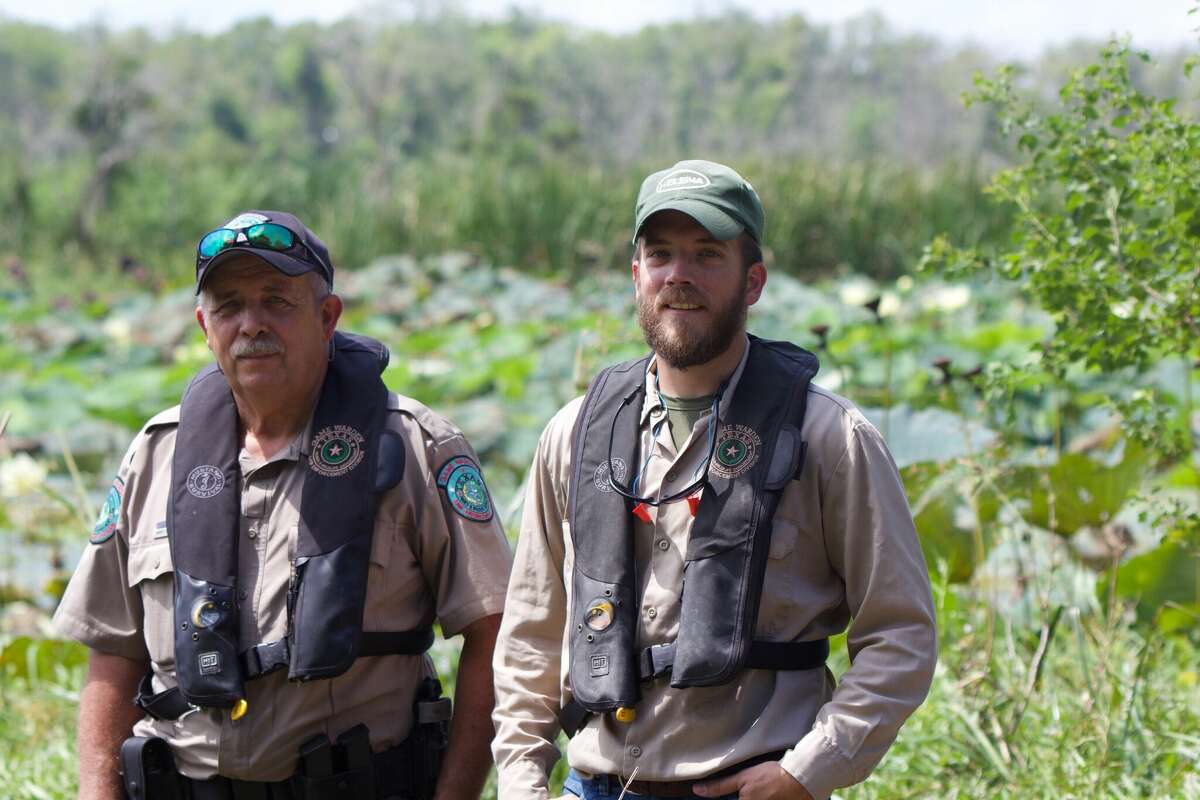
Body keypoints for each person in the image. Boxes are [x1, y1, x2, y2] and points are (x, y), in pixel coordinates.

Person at [491, 161, 937, 800]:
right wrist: (522, 782)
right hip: (593, 784)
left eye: (707, 255)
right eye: (662, 254)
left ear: (752, 281)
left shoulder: (830, 438)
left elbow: (901, 636)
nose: (680, 276)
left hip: (754, 783)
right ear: (636, 275)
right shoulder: (574, 435)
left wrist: (806, 773)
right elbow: (531, 637)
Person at [54, 210, 513, 800]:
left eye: (277, 300)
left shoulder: (412, 447)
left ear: (327, 317)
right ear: (203, 324)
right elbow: (112, 652)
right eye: (229, 306)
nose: (251, 324)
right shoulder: (156, 455)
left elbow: (497, 631)